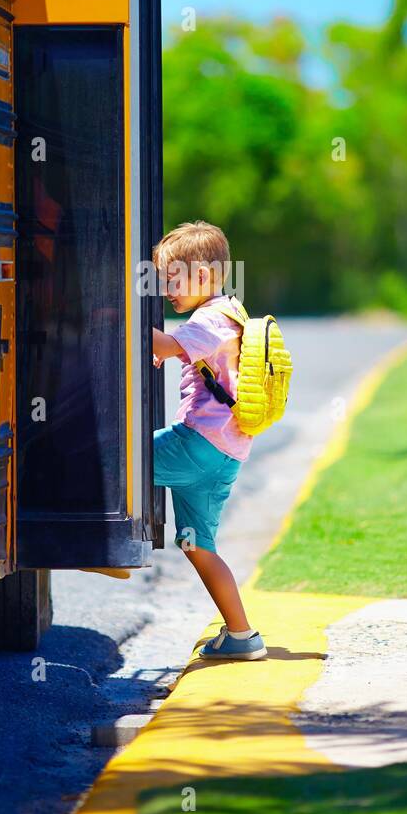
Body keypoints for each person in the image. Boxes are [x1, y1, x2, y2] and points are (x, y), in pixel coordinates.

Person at [151, 220, 267, 661]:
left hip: (199, 445)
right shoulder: (230, 311)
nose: (166, 291)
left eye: (172, 280)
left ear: (201, 276)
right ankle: (242, 635)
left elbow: (172, 346)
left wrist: (118, 321)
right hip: (225, 454)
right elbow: (180, 350)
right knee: (197, 545)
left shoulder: (211, 318)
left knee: (120, 461)